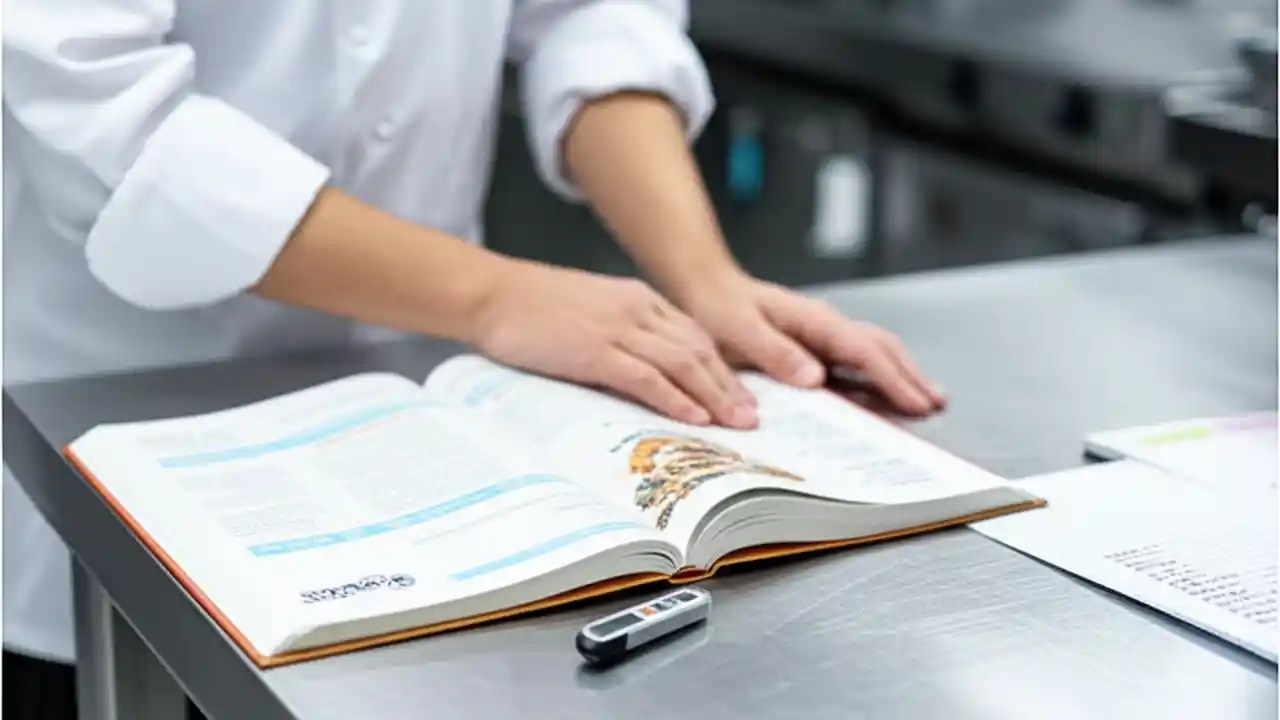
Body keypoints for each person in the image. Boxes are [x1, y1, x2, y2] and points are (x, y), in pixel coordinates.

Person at [3, 1, 946, 715]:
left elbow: (588, 17)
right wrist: (493, 296)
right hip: (112, 414)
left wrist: (705, 278)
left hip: (430, 434)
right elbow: (105, 118)